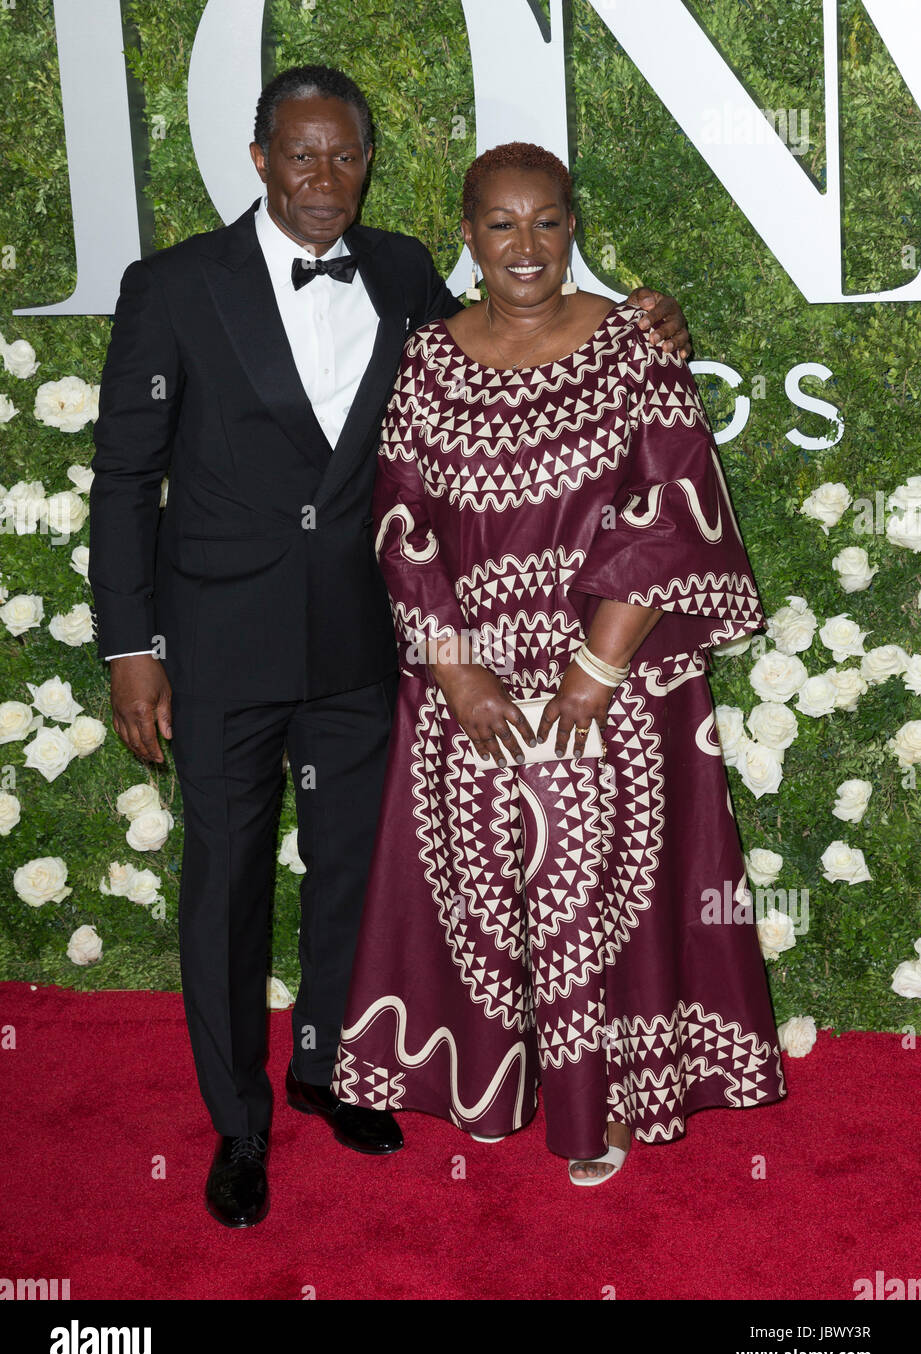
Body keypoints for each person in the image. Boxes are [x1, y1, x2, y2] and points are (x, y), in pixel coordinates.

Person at [89, 66, 691, 1226]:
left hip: (364, 642)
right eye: (302, 154)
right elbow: (126, 477)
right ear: (258, 159)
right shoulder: (170, 286)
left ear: (370, 161)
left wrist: (656, 312)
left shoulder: (408, 269)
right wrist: (131, 645)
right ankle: (238, 1122)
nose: (326, 177)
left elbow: (516, 339)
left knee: (358, 873)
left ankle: (328, 1064)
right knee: (227, 885)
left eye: (346, 155)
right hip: (216, 641)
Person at [332, 142, 786, 1185]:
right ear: (467, 232)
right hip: (474, 687)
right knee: (484, 897)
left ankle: (608, 1102)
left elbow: (668, 500)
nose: (525, 245)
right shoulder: (430, 357)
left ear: (573, 223)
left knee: (604, 897)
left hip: (612, 685)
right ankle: (491, 1078)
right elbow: (401, 519)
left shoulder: (633, 344)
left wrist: (595, 665)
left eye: (547, 220)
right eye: (501, 222)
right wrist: (453, 669)